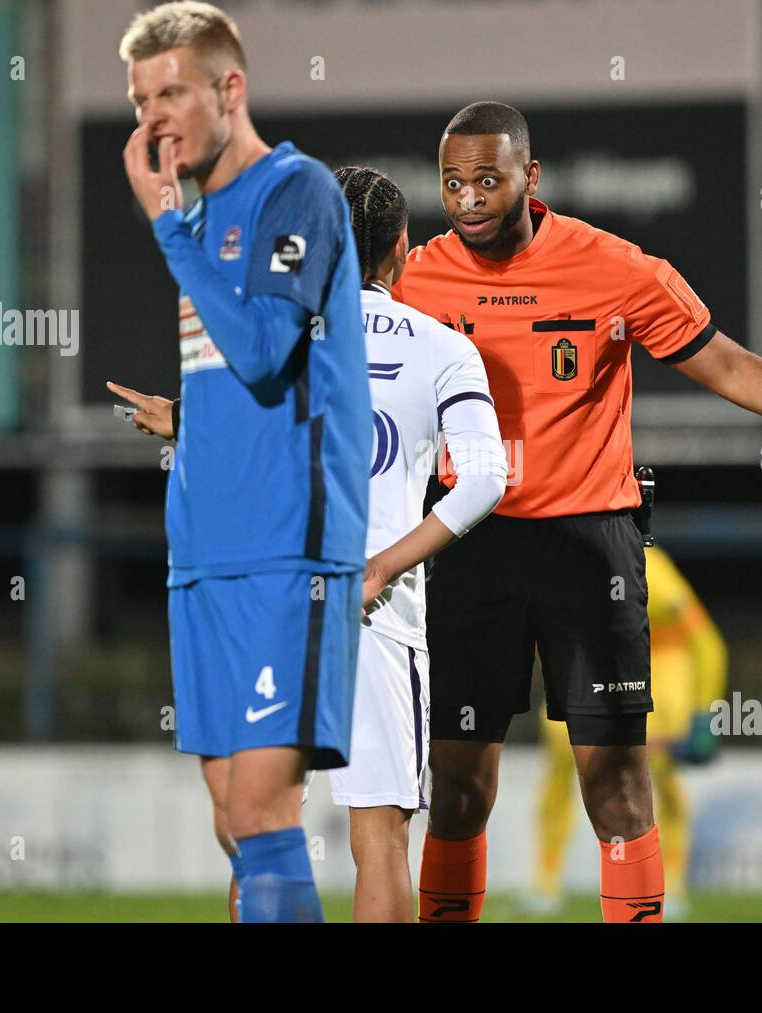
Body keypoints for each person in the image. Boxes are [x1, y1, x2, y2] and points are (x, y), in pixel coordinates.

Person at [396, 101, 762, 923]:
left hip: (591, 547)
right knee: (456, 788)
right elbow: (335, 373)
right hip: (468, 544)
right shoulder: (415, 278)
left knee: (618, 783)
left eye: (488, 177)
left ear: (530, 176)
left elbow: (725, 362)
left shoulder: (616, 268)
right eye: (453, 182)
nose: (470, 198)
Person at [111, 166, 508, 922]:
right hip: (373, 616)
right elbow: (487, 481)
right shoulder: (443, 350)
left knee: (260, 830)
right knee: (382, 840)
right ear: (402, 249)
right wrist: (384, 566)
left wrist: (186, 419)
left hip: (270, 601)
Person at [114, 2, 370, 923]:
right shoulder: (204, 215)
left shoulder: (297, 192)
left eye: (173, 90)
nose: (155, 118)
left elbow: (265, 352)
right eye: (141, 99)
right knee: (234, 819)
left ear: (231, 88)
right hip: (206, 551)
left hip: (286, 552)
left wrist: (171, 234)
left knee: (264, 808)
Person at [526, 545, 727, 919]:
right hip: (587, 677)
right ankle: (546, 882)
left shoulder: (654, 571)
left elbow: (705, 643)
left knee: (655, 783)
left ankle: (673, 885)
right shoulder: (557, 563)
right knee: (561, 777)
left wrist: (706, 715)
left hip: (651, 682)